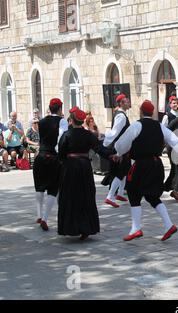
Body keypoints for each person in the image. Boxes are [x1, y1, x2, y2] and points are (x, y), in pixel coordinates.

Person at [114, 100, 178, 242]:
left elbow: (122, 144)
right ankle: (168, 225)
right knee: (152, 195)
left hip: (142, 165)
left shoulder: (137, 125)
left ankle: (136, 228)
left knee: (133, 192)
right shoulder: (160, 126)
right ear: (152, 112)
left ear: (141, 112)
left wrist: (118, 152)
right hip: (156, 165)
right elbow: (174, 140)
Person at [57, 108, 116, 240]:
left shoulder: (67, 135)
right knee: (86, 196)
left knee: (71, 196)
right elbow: (100, 149)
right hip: (84, 166)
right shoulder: (89, 135)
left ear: (71, 121)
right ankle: (86, 227)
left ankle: (71, 227)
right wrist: (111, 155)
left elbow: (61, 153)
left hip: (71, 167)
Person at [33, 98, 68, 231]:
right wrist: (59, 152)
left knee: (39, 186)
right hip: (53, 157)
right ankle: (45, 218)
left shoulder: (41, 122)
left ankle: (39, 214)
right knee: (53, 188)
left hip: (40, 156)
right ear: (59, 108)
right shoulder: (62, 121)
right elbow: (62, 137)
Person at [103, 94, 132, 207]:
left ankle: (120, 193)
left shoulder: (122, 115)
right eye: (126, 101)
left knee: (125, 170)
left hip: (123, 146)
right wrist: (106, 143)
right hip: (120, 147)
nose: (128, 102)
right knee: (120, 171)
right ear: (121, 103)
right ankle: (110, 197)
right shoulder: (121, 116)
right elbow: (115, 132)